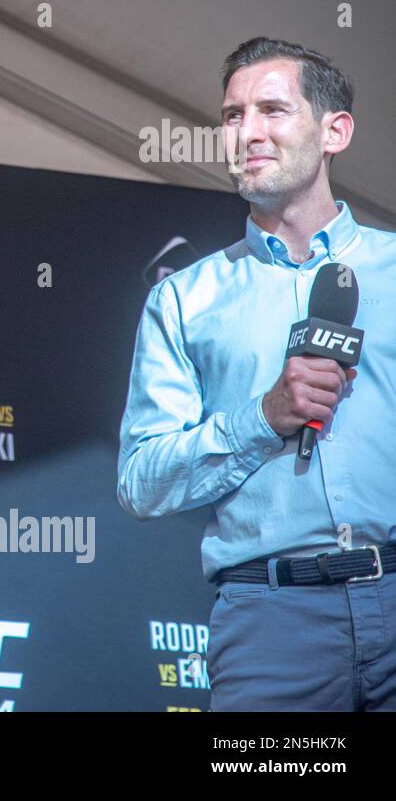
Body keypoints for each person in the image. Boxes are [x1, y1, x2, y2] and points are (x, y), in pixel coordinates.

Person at [117, 37, 396, 710]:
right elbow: (140, 481)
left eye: (272, 109)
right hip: (271, 622)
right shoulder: (184, 300)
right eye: (232, 115)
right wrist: (263, 417)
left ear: (336, 130)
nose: (247, 132)